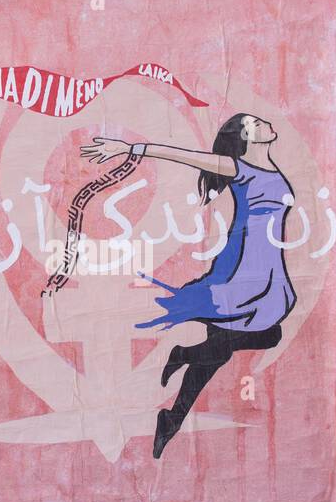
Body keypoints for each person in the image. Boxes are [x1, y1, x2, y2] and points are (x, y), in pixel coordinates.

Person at [80, 113, 297, 458]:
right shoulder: (236, 167)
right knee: (231, 343)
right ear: (245, 138)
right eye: (255, 124)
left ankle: (175, 400)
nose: (265, 124)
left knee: (254, 339)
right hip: (240, 269)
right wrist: (132, 149)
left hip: (267, 268)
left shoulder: (271, 169)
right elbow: (183, 155)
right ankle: (178, 392)